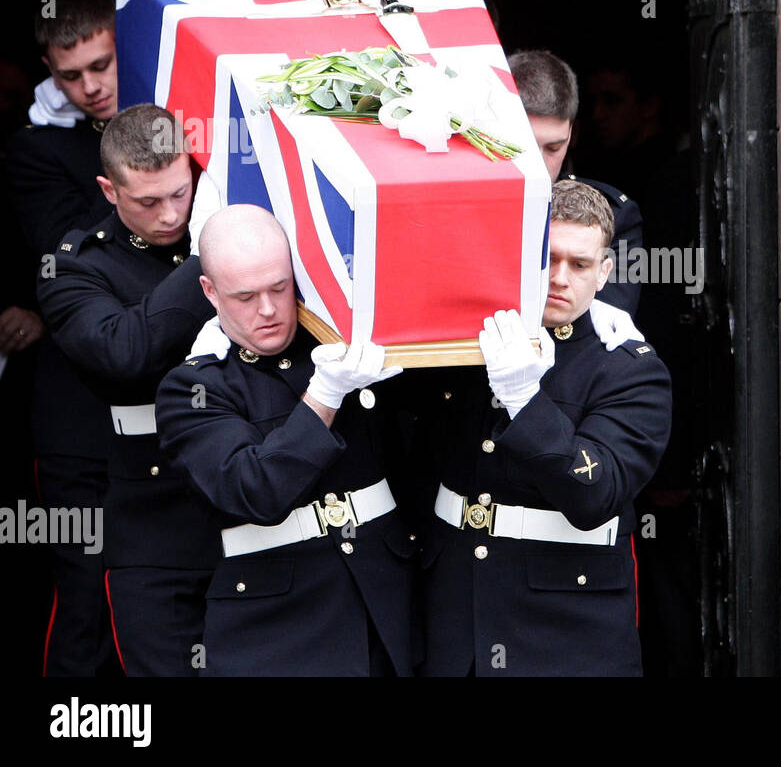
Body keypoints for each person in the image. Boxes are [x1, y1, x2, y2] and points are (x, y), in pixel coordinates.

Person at [418, 179, 672, 675]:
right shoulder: (465, 342)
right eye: (547, 258)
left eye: (579, 265)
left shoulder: (629, 368)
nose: (560, 277)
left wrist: (524, 400)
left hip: (565, 624)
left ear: (605, 273)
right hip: (457, 607)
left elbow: (593, 495)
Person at [155, 205, 416, 676]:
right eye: (245, 296)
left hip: (386, 599)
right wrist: (324, 394)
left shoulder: (341, 342)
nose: (270, 309)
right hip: (277, 619)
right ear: (209, 292)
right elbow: (252, 489)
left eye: (279, 287)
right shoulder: (195, 388)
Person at [37, 103, 222, 676]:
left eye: (180, 192)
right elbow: (125, 350)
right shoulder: (76, 267)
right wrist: (215, 253)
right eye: (147, 202)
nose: (170, 214)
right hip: (156, 518)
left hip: (253, 500)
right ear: (108, 191)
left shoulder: (217, 215)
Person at [5, 0, 119, 675]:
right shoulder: (32, 147)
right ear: (48, 68)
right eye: (70, 75)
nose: (89, 86)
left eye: (102, 66)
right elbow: (68, 256)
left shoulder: (182, 111)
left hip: (173, 413)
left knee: (167, 594)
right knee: (81, 592)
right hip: (74, 419)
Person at [508, 48, 644, 315]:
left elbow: (601, 338)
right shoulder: (455, 204)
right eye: (525, 146)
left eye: (553, 148)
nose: (538, 165)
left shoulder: (614, 216)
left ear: (572, 133)